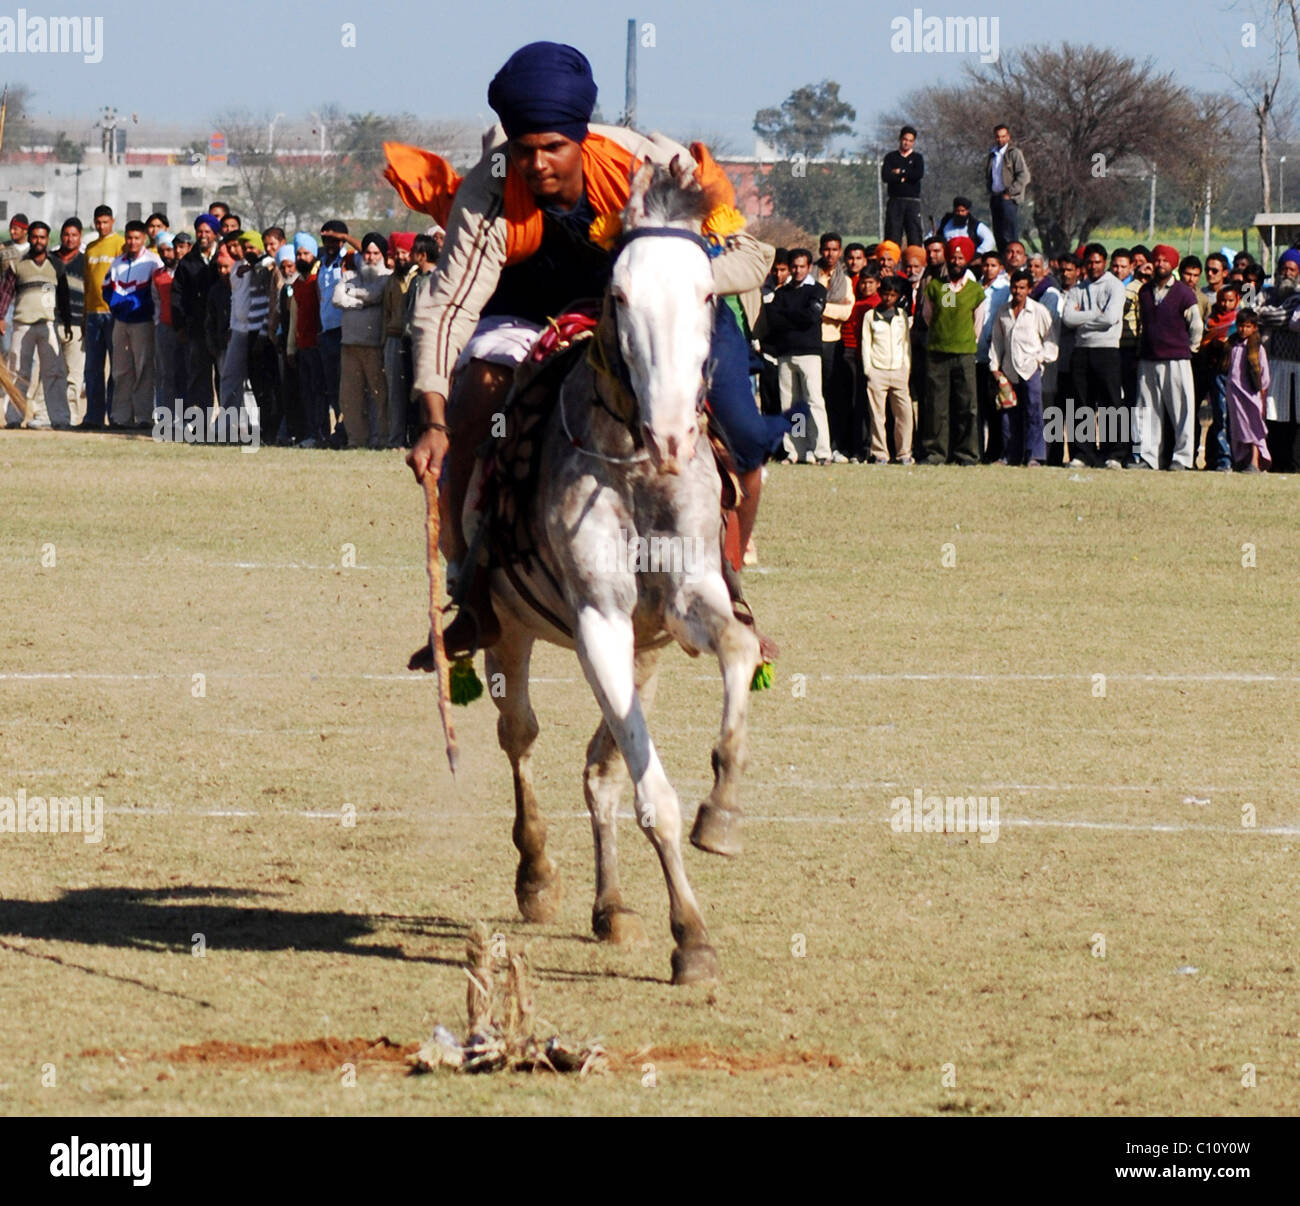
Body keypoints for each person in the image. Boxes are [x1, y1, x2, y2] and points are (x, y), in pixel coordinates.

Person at [398, 41, 788, 656]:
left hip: (661, 313)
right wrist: (434, 418)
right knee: (477, 409)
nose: (537, 165)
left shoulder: (656, 168)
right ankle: (471, 591)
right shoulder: (490, 189)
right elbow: (447, 305)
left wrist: (668, 283)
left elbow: (751, 257)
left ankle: (729, 585)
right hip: (529, 313)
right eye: (523, 150)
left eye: (553, 148)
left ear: (582, 138)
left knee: (739, 425)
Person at [1133, 244, 1202, 469]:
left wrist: (1188, 349)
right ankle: (1147, 457)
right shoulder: (1144, 291)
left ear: (1173, 265)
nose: (1161, 264)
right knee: (1146, 410)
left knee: (1182, 410)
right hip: (1149, 358)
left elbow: (1196, 326)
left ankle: (1182, 459)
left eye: (1165, 260)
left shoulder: (1183, 292)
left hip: (1177, 359)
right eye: (1158, 260)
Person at [0, 221, 71, 428]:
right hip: (22, 324)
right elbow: (5, 293)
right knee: (17, 372)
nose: (38, 241)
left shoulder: (56, 265)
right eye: (35, 237)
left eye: (42, 237)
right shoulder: (18, 264)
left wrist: (66, 322)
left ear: (47, 239)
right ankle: (14, 417)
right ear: (29, 238)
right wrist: (1, 317)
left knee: (55, 373)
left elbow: (64, 296)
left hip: (48, 324)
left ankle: (59, 418)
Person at [920, 236, 984, 465]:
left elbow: (978, 322)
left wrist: (965, 340)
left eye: (961, 258)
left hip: (964, 353)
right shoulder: (937, 286)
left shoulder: (975, 290)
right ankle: (935, 453)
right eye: (953, 257)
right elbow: (929, 316)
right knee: (937, 407)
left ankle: (966, 454)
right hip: (938, 353)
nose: (956, 262)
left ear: (967, 260)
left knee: (968, 406)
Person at [1062, 242, 1126, 467]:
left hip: (1107, 349)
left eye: (1097, 261)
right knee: (1081, 402)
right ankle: (1083, 453)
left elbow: (1110, 318)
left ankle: (1114, 453)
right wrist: (1094, 315)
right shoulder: (1078, 289)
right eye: (1089, 262)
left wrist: (1083, 321)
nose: (1093, 266)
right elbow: (1068, 318)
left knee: (1110, 402)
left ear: (1105, 262)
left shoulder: (1114, 286)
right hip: (1081, 351)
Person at [989, 268, 1057, 465]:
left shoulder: (1038, 311)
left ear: (1029, 289)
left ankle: (1034, 456)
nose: (1018, 291)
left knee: (1033, 411)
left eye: (1022, 288)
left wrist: (1039, 358)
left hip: (1030, 369)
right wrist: (995, 367)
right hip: (1009, 369)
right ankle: (1010, 455)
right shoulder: (1003, 312)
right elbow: (997, 340)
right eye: (1015, 287)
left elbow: (1050, 339)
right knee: (1009, 413)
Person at [770, 248, 831, 463]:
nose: (797, 271)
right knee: (791, 405)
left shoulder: (817, 290)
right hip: (785, 354)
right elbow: (774, 320)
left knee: (814, 401)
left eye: (801, 266)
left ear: (809, 267)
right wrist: (795, 316)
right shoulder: (782, 292)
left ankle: (822, 451)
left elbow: (811, 317)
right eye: (794, 266)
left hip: (809, 353)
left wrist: (788, 315)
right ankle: (796, 451)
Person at [333, 231, 391, 448]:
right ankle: (356, 440)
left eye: (376, 253)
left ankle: (381, 439)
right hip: (349, 344)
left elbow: (376, 294)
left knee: (379, 396)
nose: (371, 257)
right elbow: (337, 298)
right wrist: (361, 302)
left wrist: (353, 294)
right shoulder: (349, 275)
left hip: (374, 345)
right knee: (350, 397)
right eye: (367, 252)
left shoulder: (387, 276)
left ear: (383, 255)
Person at [104, 220, 164, 429]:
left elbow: (156, 293)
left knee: (144, 369)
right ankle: (120, 416)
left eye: (137, 238)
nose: (132, 242)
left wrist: (144, 310)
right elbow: (107, 287)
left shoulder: (153, 261)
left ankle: (144, 416)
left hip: (143, 322)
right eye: (129, 237)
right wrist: (116, 307)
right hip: (121, 322)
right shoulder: (117, 262)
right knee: (120, 370)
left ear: (144, 239)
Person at [171, 213, 221, 414]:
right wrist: (180, 325)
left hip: (220, 327)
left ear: (215, 234)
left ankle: (227, 424)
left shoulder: (223, 258)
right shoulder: (187, 262)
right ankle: (201, 424)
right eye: (199, 231)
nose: (202, 236)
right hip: (196, 328)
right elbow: (178, 296)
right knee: (199, 377)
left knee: (223, 375)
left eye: (207, 232)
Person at [79, 204, 124, 428]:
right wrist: (85, 314)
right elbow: (88, 284)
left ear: (112, 222)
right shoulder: (91, 248)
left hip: (113, 314)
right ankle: (93, 417)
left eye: (105, 222)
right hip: (93, 314)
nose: (101, 226)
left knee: (116, 368)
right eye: (98, 222)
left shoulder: (120, 244)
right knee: (92, 368)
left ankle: (115, 415)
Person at [861, 275, 913, 465]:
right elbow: (866, 344)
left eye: (892, 295)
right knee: (877, 416)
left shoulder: (902, 316)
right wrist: (869, 370)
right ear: (880, 294)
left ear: (897, 296)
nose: (888, 298)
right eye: (885, 294)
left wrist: (906, 367)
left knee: (905, 414)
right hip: (877, 371)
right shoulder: (871, 315)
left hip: (898, 370)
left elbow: (906, 343)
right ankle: (880, 453)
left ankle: (904, 453)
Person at [816, 232, 854, 461]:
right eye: (826, 249)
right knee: (811, 397)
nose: (830, 254)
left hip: (833, 343)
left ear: (839, 251)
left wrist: (820, 307)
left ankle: (834, 445)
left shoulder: (844, 280)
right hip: (810, 343)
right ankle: (811, 443)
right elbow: (802, 307)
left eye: (834, 250)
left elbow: (846, 312)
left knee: (833, 397)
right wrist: (832, 307)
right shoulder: (811, 276)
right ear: (821, 250)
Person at [382, 231, 418, 448]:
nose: (401, 257)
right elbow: (385, 313)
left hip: (415, 342)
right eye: (398, 253)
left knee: (414, 392)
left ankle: (416, 438)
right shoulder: (391, 280)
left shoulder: (419, 279)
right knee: (394, 393)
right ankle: (396, 440)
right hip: (393, 341)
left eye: (405, 253)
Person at [1200, 281, 1241, 471]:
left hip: (1238, 375)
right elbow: (1205, 342)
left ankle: (1239, 458)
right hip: (1216, 373)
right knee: (1220, 416)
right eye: (1222, 301)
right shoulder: (1211, 320)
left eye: (1230, 301)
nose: (1226, 304)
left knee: (1237, 417)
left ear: (1237, 301)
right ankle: (1222, 460)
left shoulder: (1240, 321)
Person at [1224, 308, 1270, 472]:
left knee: (1254, 426)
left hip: (1251, 394)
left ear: (1254, 328)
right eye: (1241, 326)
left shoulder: (1257, 349)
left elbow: (1264, 374)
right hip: (1234, 394)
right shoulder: (1232, 345)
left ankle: (1255, 461)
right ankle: (1242, 461)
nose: (1244, 330)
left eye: (1248, 326)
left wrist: (1261, 391)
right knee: (1239, 427)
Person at [841, 264, 879, 461]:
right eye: (863, 282)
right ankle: (855, 447)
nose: (866, 286)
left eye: (870, 283)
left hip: (871, 359)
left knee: (868, 406)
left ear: (877, 284)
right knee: (854, 403)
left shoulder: (877, 304)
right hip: (850, 353)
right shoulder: (854, 302)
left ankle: (868, 447)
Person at [974, 248, 1009, 461]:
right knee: (976, 407)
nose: (988, 269)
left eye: (993, 265)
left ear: (1000, 268)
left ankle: (995, 451)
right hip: (974, 353)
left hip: (994, 355)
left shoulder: (1004, 289)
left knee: (994, 406)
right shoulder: (974, 287)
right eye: (985, 265)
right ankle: (976, 450)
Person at [290, 234, 324, 447]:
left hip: (318, 343)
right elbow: (294, 317)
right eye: (299, 254)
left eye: (306, 253)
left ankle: (320, 433)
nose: (302, 257)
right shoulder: (297, 283)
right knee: (306, 392)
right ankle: (310, 433)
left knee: (319, 392)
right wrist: (291, 348)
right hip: (302, 346)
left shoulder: (317, 280)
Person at [316, 220, 348, 445]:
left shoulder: (348, 259)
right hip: (326, 331)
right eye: (326, 239)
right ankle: (337, 427)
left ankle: (346, 429)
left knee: (345, 384)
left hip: (343, 331)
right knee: (331, 385)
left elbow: (367, 252)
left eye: (334, 240)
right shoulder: (323, 263)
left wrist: (344, 239)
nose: (330, 244)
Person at [54, 218, 86, 424]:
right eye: (66, 234)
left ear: (80, 237)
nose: (69, 239)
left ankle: (73, 417)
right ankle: (50, 414)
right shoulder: (51, 259)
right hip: (52, 322)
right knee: (51, 373)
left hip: (77, 323)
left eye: (74, 235)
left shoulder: (85, 261)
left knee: (74, 375)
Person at [151, 231, 182, 417]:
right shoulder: (157, 275)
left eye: (169, 250)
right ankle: (167, 416)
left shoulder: (183, 272)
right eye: (162, 251)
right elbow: (155, 300)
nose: (166, 254)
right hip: (164, 326)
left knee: (184, 372)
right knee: (165, 374)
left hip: (183, 328)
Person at [986, 125, 1031, 250]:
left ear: (1008, 137)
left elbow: (1024, 176)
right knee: (998, 234)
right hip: (995, 197)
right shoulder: (992, 154)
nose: (1000, 139)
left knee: (1009, 235)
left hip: (1008, 199)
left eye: (1003, 136)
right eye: (998, 137)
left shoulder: (1014, 153)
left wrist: (1010, 193)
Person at [881, 126, 924, 247]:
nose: (907, 143)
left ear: (913, 142)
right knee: (892, 236)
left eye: (910, 141)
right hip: (895, 201)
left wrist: (900, 172)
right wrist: (906, 177)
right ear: (900, 139)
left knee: (914, 235)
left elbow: (918, 174)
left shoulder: (917, 158)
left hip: (912, 202)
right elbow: (886, 176)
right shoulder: (891, 157)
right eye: (905, 139)